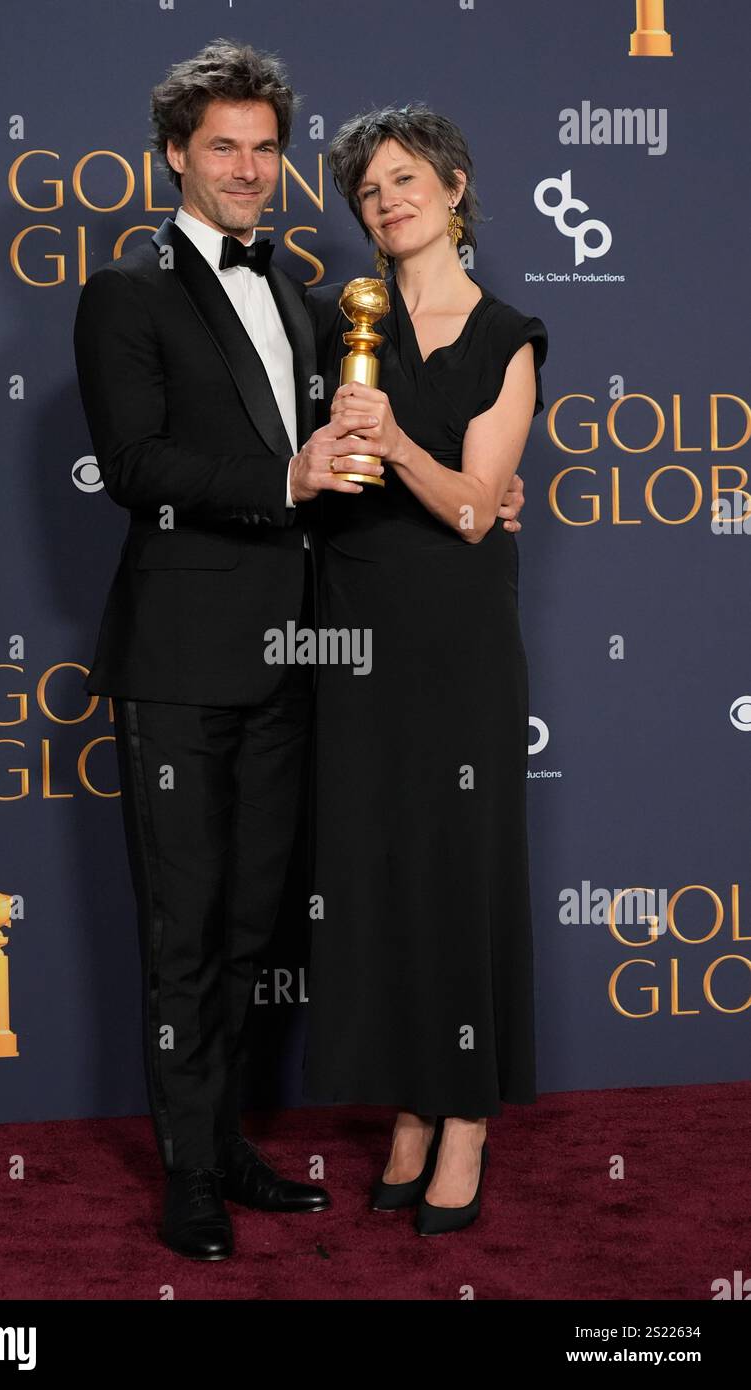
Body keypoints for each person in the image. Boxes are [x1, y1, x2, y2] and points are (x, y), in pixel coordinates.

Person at [71, 39, 388, 1262]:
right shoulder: (123, 297)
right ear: (174, 158)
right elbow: (136, 467)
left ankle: (230, 1140)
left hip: (289, 658)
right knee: (184, 933)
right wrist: (283, 474)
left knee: (255, 930)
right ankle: (186, 1174)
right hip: (177, 659)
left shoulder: (311, 303)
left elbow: (345, 470)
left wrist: (462, 488)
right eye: (224, 149)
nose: (250, 169)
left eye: (265, 149)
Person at [302, 104, 548, 1235]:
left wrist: (397, 439)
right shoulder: (331, 319)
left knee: (458, 866)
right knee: (377, 871)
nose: (385, 200)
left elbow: (468, 509)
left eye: (404, 179)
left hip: (455, 641)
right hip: (351, 633)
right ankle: (409, 1102)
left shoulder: (509, 336)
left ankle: (464, 1118)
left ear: (453, 186)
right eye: (366, 190)